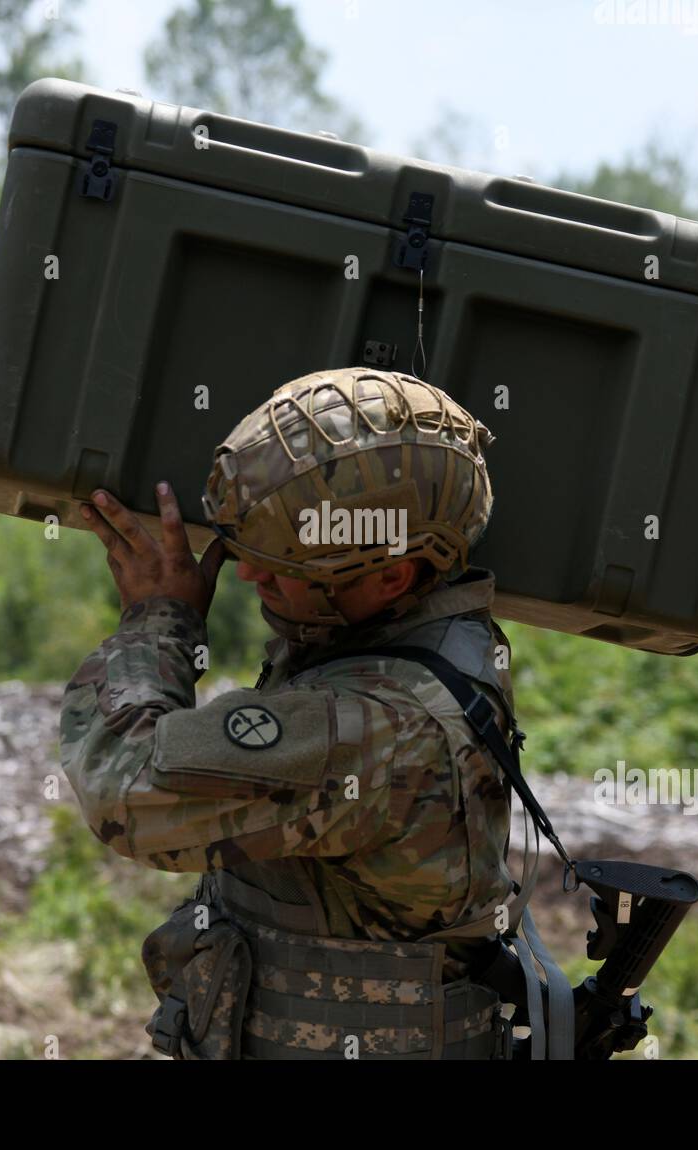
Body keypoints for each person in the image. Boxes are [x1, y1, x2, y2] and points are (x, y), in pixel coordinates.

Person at [60, 367, 538, 1060]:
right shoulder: (434, 633)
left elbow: (120, 785)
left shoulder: (382, 727)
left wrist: (157, 622)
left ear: (391, 576)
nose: (249, 577)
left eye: (285, 569)